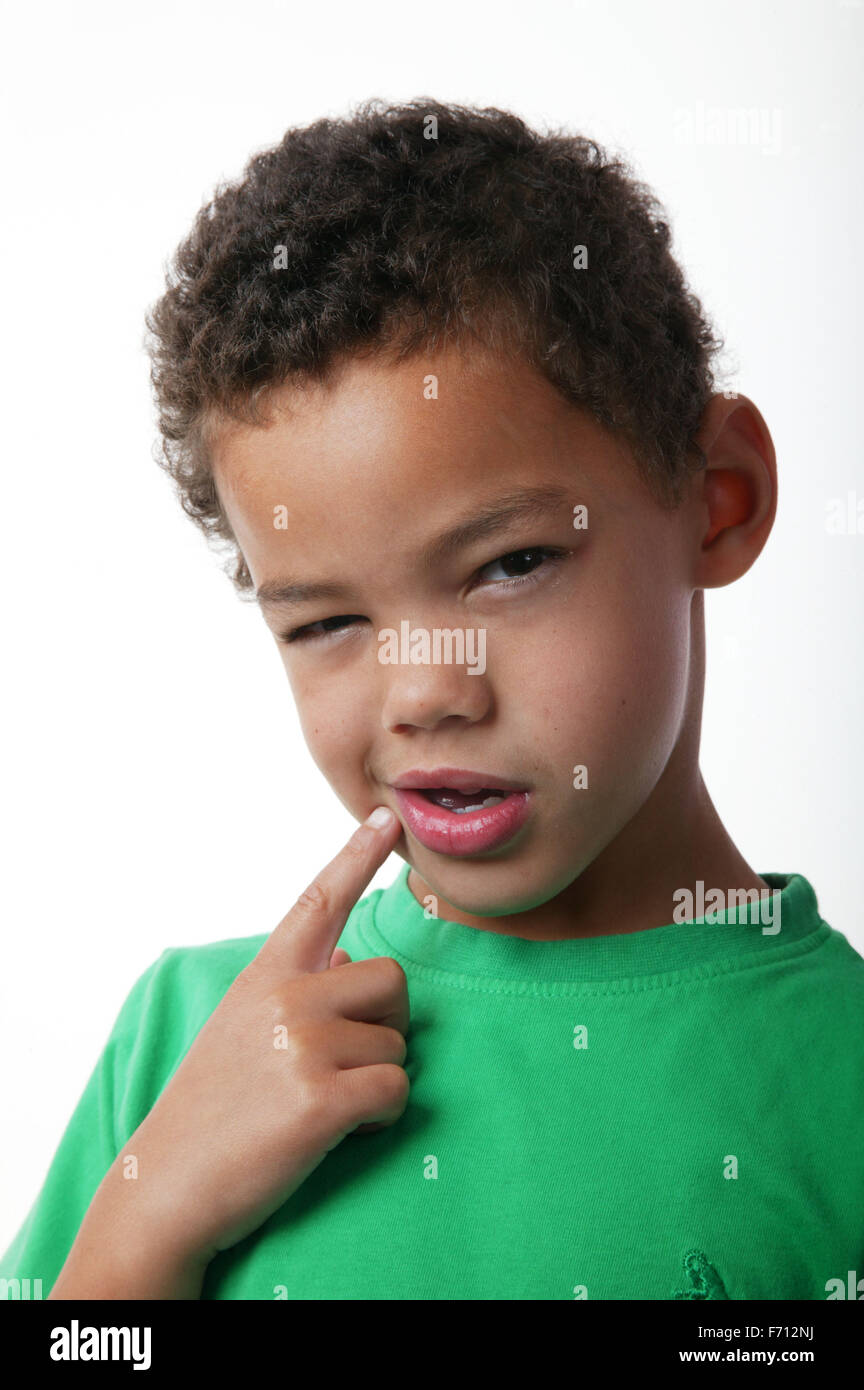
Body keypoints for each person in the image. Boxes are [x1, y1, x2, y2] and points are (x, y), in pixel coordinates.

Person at [3, 99, 862, 1301]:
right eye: (327, 622)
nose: (424, 693)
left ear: (716, 497)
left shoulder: (842, 1088)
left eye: (510, 565)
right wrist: (149, 1224)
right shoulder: (186, 1037)